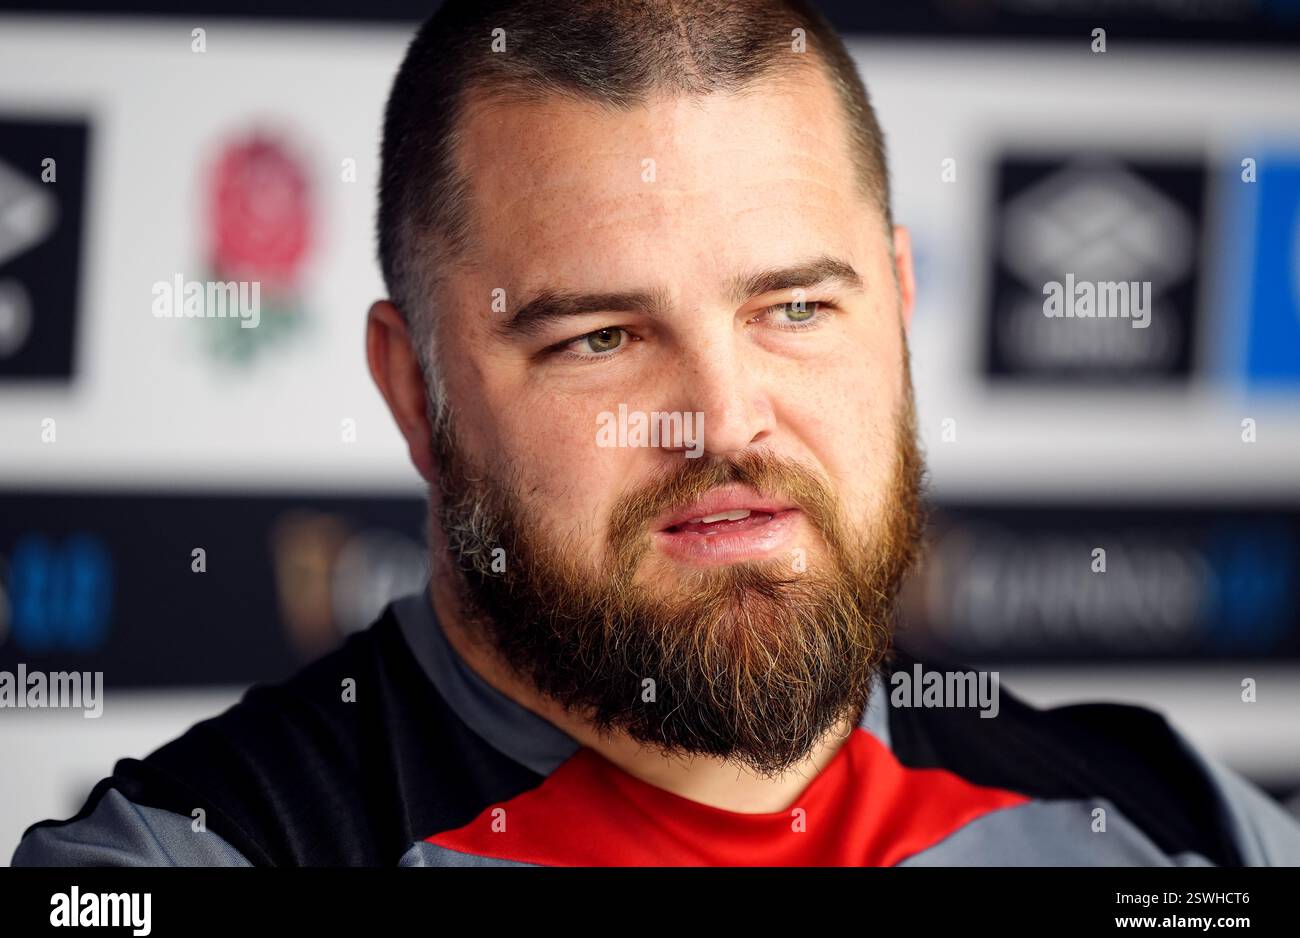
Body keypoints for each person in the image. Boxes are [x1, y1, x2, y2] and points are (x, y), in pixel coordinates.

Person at [13, 0, 1300, 866]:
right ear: (416, 393)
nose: (726, 418)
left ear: (899, 312)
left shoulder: (1168, 828)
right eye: (599, 337)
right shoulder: (181, 856)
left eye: (794, 306)